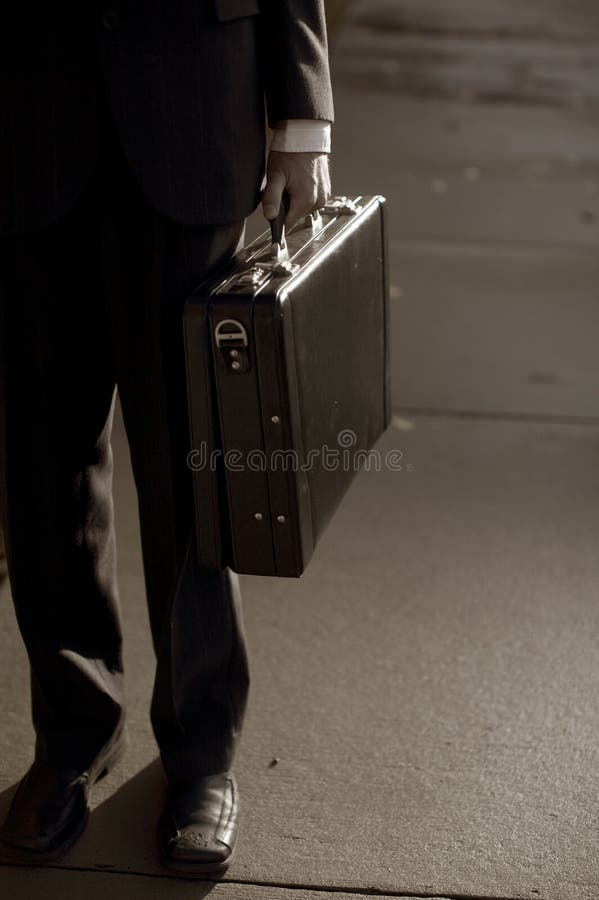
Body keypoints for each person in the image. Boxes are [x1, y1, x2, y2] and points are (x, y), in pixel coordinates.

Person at [0, 1, 333, 877]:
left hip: (190, 106)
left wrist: (301, 119)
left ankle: (201, 753)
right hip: (26, 111)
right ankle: (71, 731)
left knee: (190, 466)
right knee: (44, 464)